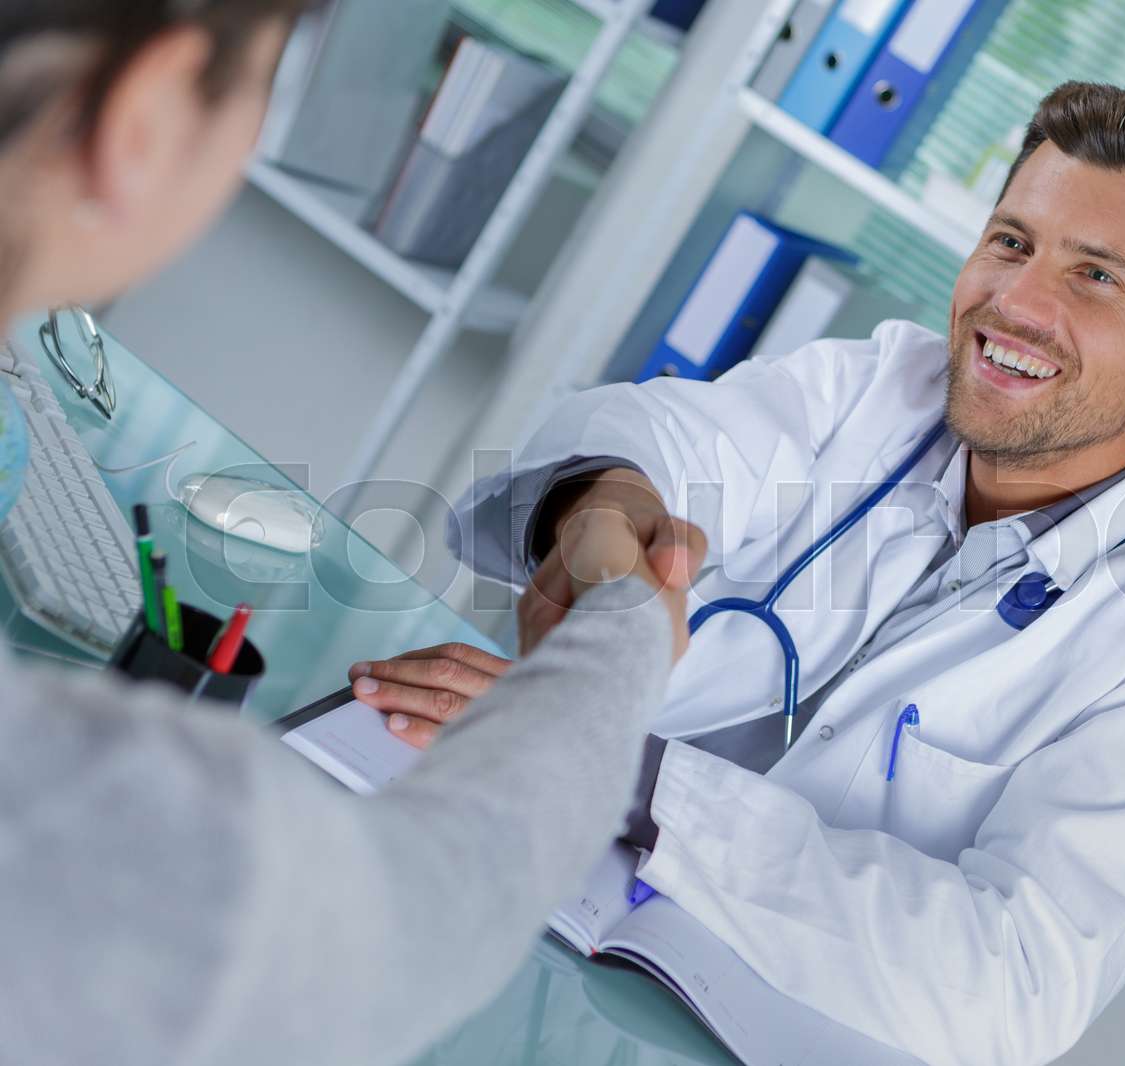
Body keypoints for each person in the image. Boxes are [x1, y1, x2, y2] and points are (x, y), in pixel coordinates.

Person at [365, 82, 1125, 1065]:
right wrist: (604, 511)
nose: (1016, 302)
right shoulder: (877, 383)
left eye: (1095, 275)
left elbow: (1015, 984)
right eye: (1010, 242)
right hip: (539, 913)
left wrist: (630, 774)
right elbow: (656, 438)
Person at [0, 4, 698, 1065]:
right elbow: (434, 897)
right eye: (271, 79)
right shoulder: (97, 827)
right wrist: (630, 633)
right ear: (141, 121)